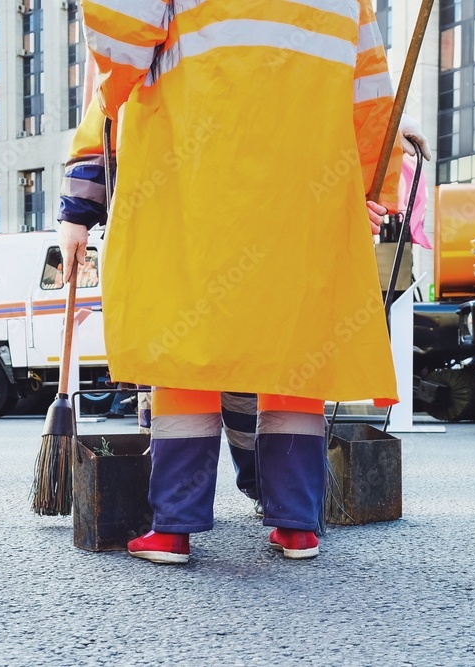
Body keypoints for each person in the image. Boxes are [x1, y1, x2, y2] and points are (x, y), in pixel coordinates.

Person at [60, 0, 408, 563]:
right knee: (295, 356)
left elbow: (117, 43)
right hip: (304, 191)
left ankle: (173, 528)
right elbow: (372, 96)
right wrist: (370, 189)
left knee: (184, 354)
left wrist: (81, 191)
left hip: (196, 180)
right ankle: (297, 526)